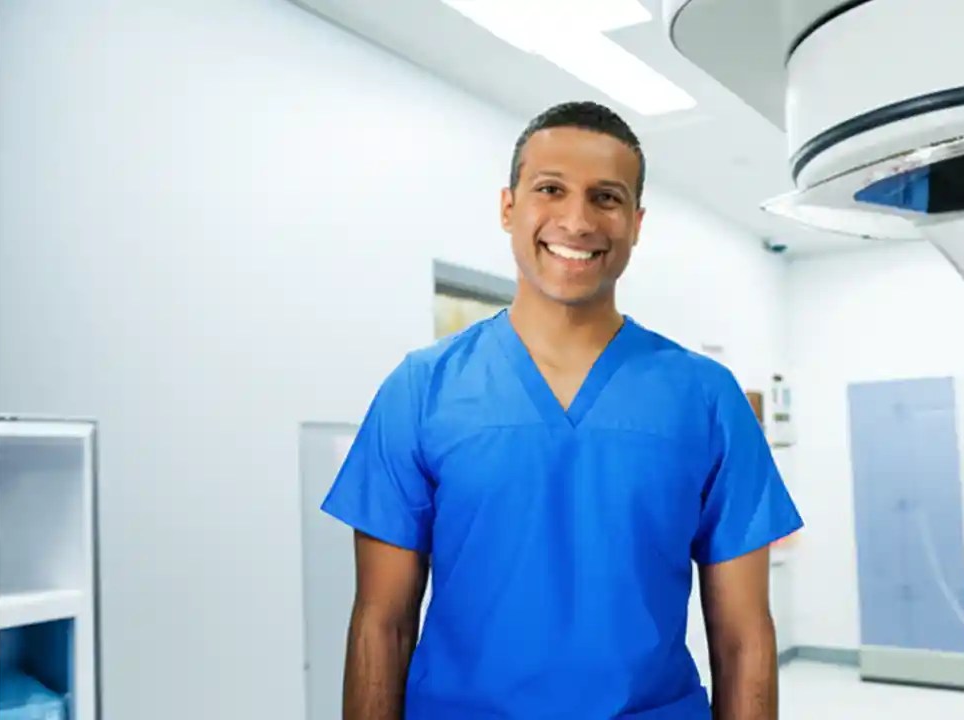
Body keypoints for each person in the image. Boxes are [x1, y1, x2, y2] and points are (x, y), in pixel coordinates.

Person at [321, 100, 804, 719]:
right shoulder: (421, 389)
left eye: (606, 197)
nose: (577, 220)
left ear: (635, 221)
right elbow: (379, 625)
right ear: (508, 206)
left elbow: (743, 638)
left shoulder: (706, 397)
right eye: (551, 189)